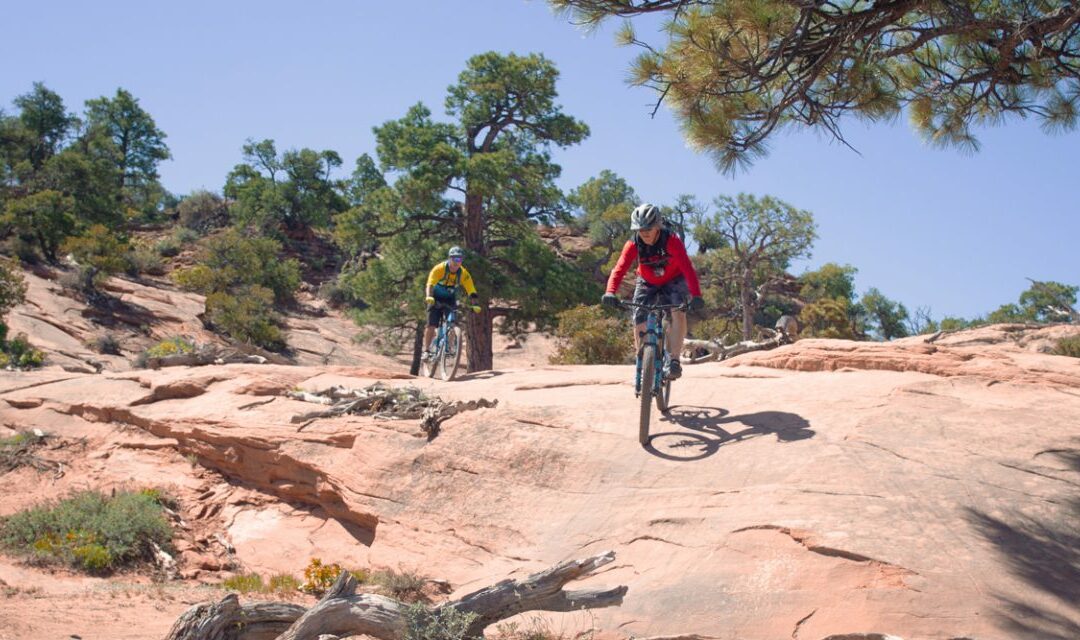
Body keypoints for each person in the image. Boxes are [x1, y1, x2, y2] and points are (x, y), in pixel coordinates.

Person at [602, 203, 704, 379]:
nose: (644, 232)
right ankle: (643, 361)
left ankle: (674, 360)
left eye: (648, 228)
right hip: (647, 280)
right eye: (640, 229)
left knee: (678, 312)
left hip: (674, 279)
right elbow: (619, 269)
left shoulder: (671, 241)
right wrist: (610, 292)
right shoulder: (633, 243)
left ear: (657, 226)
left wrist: (696, 295)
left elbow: (687, 268)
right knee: (638, 315)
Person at [423, 246, 481, 360]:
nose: (457, 262)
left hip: (450, 299)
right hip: (435, 298)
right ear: (449, 258)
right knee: (431, 325)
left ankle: (448, 348)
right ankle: (426, 351)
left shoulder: (463, 273)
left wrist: (475, 304)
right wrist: (429, 296)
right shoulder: (439, 269)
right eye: (455, 258)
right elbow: (430, 284)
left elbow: (471, 290)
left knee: (453, 323)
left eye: (460, 259)